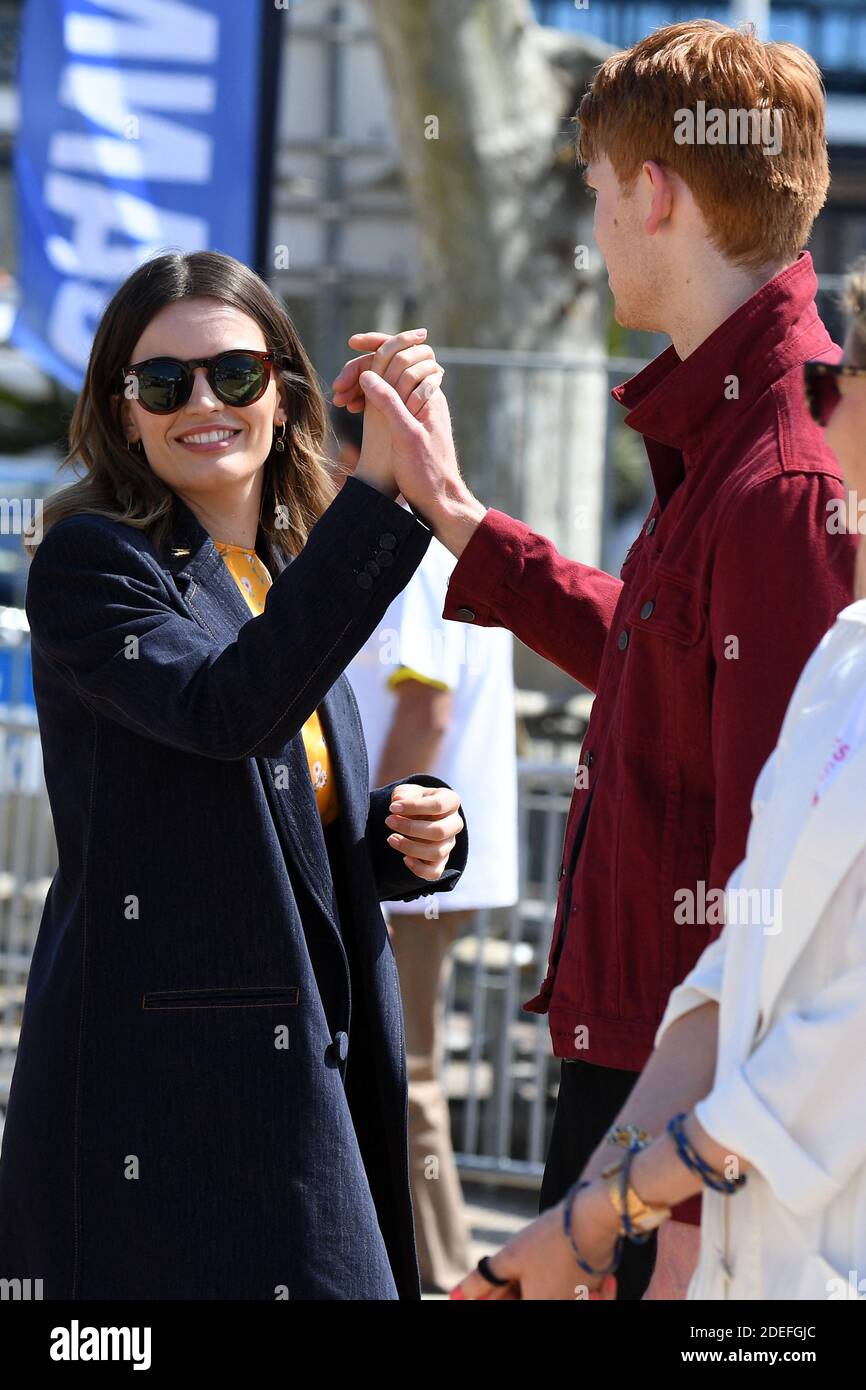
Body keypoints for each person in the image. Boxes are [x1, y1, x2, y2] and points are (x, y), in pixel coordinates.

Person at [332, 20, 859, 1299]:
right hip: (657, 1101)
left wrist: (673, 1209)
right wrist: (454, 507)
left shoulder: (782, 473)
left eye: (594, 190)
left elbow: (775, 891)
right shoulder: (742, 438)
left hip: (676, 1125)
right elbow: (655, 647)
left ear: (653, 192)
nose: (593, 225)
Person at [0, 250, 469, 1301]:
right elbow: (226, 711)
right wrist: (382, 490)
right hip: (169, 1111)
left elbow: (256, 806)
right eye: (164, 383)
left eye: (235, 375)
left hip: (306, 1072)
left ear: (283, 393)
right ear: (125, 414)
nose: (201, 402)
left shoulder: (283, 571)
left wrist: (396, 829)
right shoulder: (89, 562)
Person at [448, 255, 866, 1300]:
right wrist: (594, 1212)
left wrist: (628, 1210)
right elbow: (738, 969)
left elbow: (823, 1039)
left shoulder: (783, 482)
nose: (825, 404)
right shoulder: (847, 648)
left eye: (845, 379)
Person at [330, 404, 519, 1292]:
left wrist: (363, 849)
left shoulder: (411, 556)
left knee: (409, 1080)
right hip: (421, 860)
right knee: (409, 1077)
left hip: (413, 865)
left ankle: (450, 1280)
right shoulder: (420, 551)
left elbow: (424, 709)